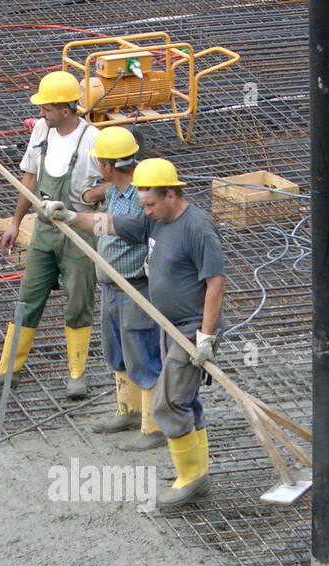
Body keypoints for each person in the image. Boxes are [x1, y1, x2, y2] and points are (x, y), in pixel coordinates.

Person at [41, 158, 226, 507]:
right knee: (186, 400)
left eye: (151, 204)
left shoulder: (197, 228)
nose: (147, 212)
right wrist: (70, 216)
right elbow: (108, 223)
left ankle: (190, 477)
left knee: (168, 401)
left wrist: (205, 337)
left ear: (171, 194)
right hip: (166, 323)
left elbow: (215, 285)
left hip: (190, 328)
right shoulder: (154, 221)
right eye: (143, 205)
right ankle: (198, 473)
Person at [0, 71, 106, 399]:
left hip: (79, 230)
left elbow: (119, 179)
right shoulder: (40, 131)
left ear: (66, 110)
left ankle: (76, 374)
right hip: (45, 231)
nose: (40, 113)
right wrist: (17, 223)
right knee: (28, 297)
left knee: (79, 300)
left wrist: (91, 197)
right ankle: (8, 369)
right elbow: (30, 180)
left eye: (46, 108)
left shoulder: (93, 138)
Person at [88, 127, 164, 450]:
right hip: (111, 287)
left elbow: (131, 231)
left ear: (107, 166)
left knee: (142, 354)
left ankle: (154, 425)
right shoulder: (114, 193)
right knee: (117, 349)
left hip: (135, 287)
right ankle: (129, 409)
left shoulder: (140, 195)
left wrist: (81, 219)